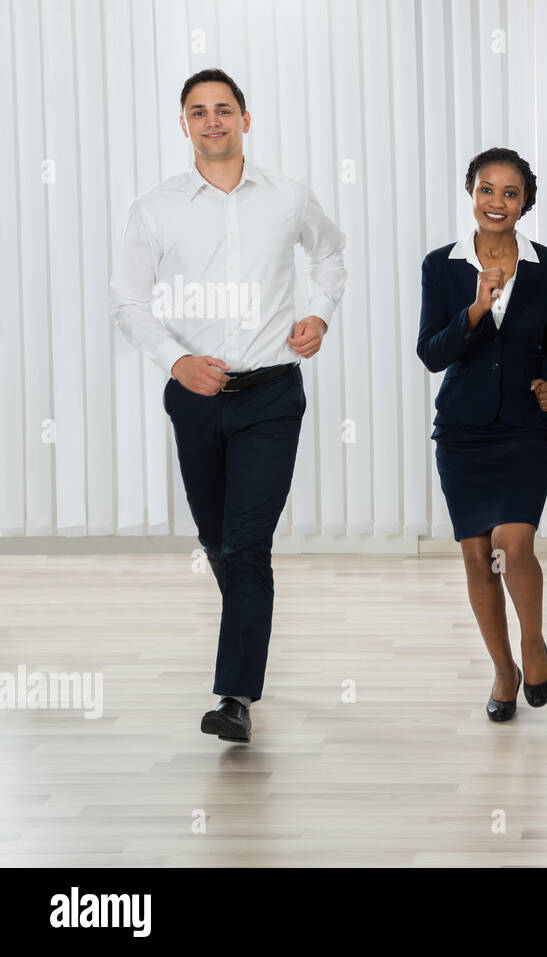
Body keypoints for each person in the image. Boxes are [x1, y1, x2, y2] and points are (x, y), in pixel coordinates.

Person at [109, 68, 347, 743]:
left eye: (224, 109)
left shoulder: (288, 197)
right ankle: (248, 625)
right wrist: (176, 362)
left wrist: (320, 315)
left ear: (246, 118)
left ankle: (235, 694)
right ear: (182, 125)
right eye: (198, 112)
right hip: (194, 398)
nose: (213, 121)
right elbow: (128, 300)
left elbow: (332, 256)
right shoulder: (154, 208)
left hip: (271, 392)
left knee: (247, 544)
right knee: (217, 539)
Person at [416, 149, 547, 723]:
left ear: (525, 200)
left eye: (509, 192)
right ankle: (502, 669)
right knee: (478, 560)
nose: (497, 202)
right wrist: (476, 309)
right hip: (462, 430)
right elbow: (431, 353)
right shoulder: (442, 265)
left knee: (512, 545)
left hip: (526, 427)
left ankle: (533, 642)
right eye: (487, 190)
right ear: (471, 193)